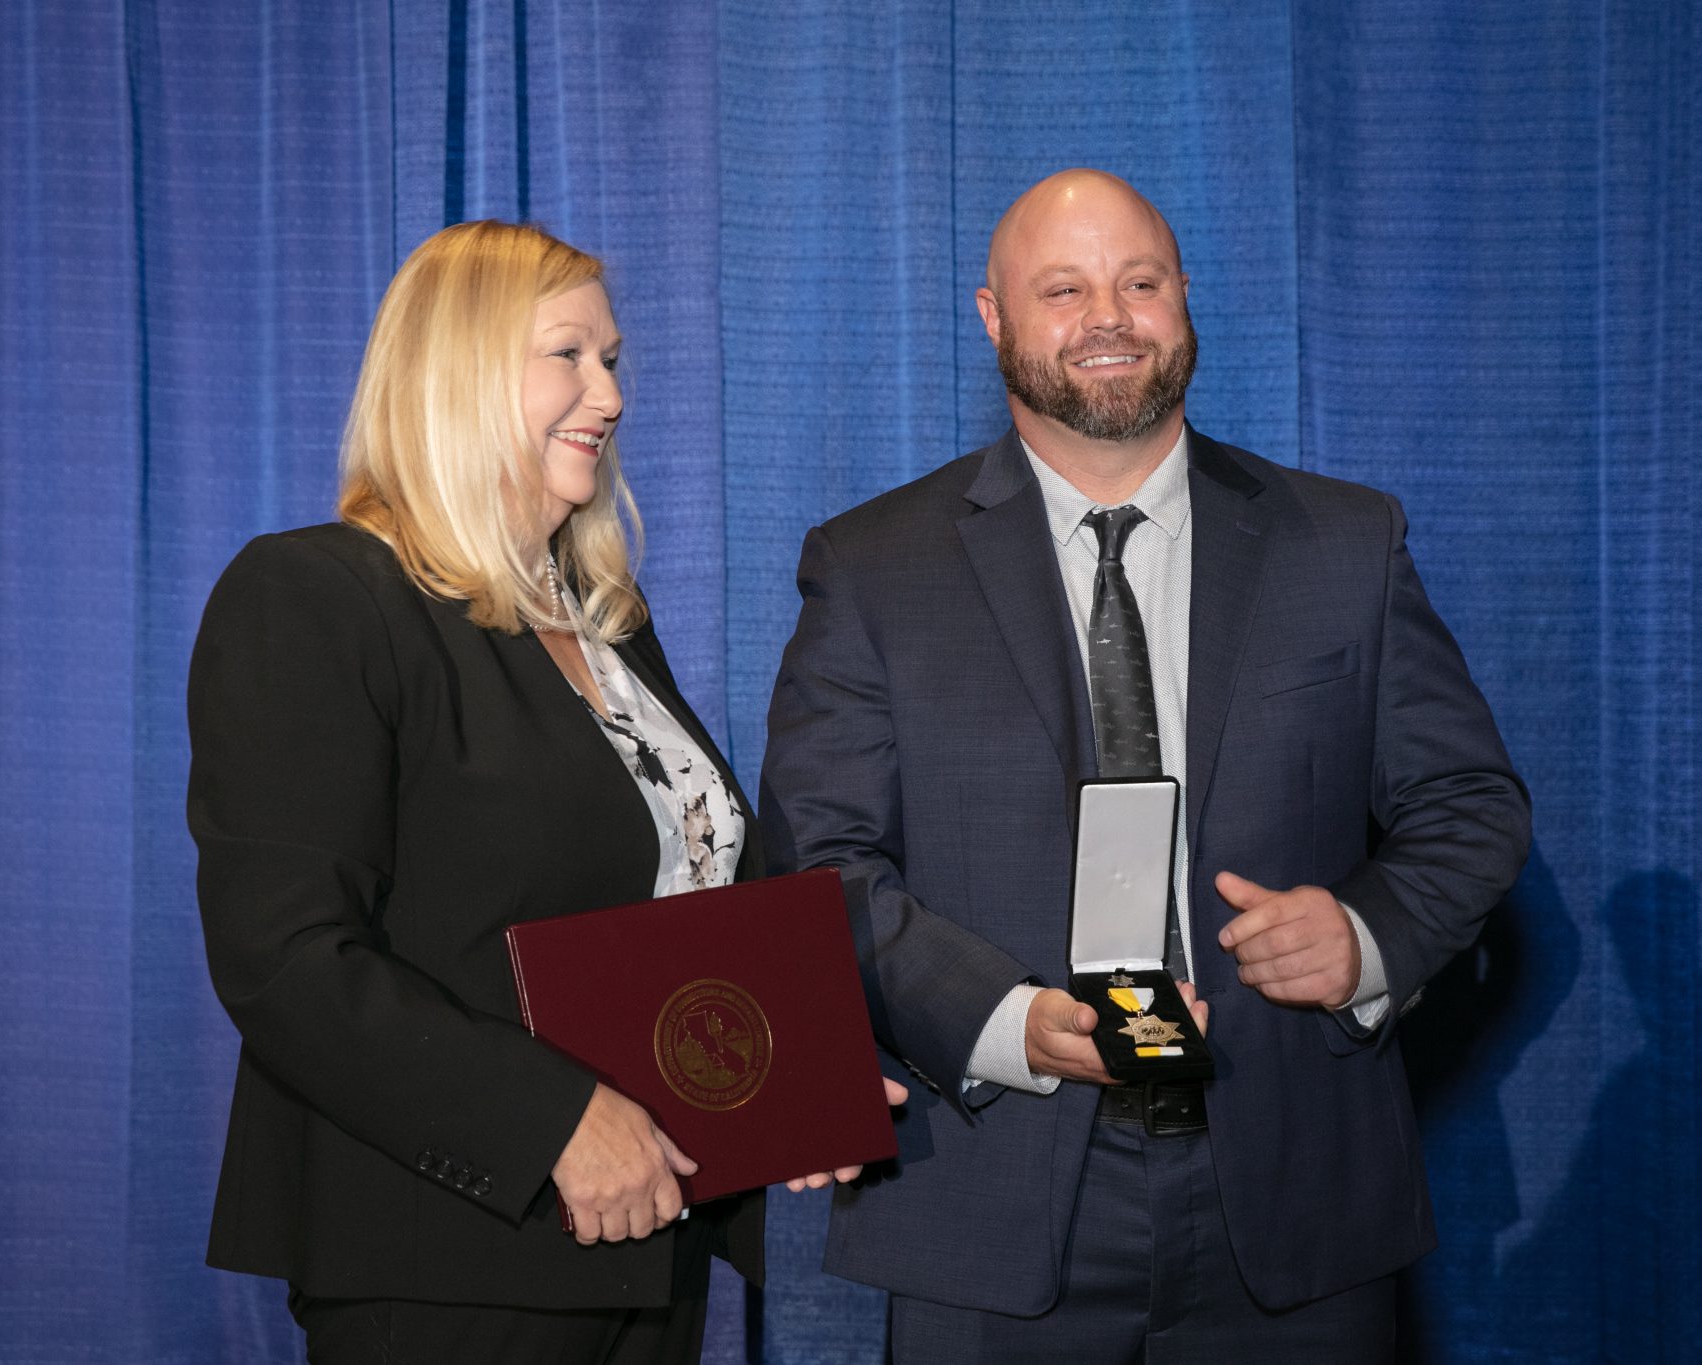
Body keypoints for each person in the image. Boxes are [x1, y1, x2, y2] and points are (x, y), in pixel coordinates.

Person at [759, 170, 1532, 1360]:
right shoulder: (870, 567)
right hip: (993, 1196)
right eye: (1061, 289)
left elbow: (1468, 804)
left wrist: (1366, 935)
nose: (1106, 317)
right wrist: (1008, 1022)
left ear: (1183, 299)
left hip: (1292, 1200)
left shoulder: (1343, 541)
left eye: (1139, 282)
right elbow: (819, 867)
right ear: (991, 318)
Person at [188, 220, 891, 1364]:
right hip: (444, 1265)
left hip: (645, 1247)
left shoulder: (608, 625)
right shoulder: (316, 594)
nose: (606, 395)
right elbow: (287, 959)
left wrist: (791, 1090)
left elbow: (672, 920)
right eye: (567, 355)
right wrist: (552, 1122)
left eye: (612, 360)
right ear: (456, 371)